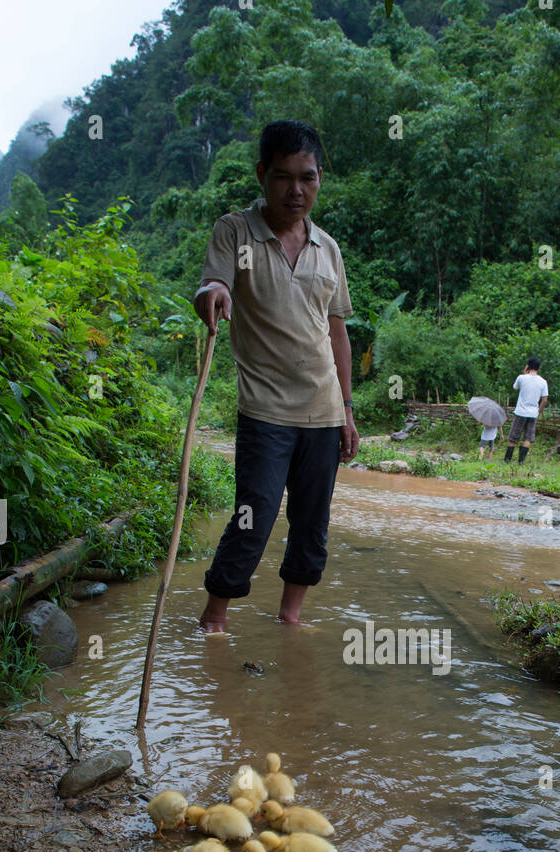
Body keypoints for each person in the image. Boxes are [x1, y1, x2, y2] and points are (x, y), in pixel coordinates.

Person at [193, 119, 359, 633]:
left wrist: (349, 412)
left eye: (307, 178)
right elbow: (212, 285)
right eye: (284, 176)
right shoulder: (236, 231)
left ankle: (290, 617)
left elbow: (337, 335)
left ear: (320, 178)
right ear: (263, 174)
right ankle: (215, 619)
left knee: (312, 525)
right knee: (254, 516)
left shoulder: (327, 249)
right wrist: (213, 297)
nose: (296, 190)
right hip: (265, 412)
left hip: (324, 413)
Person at [504, 357, 548, 465]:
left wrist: (524, 373)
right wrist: (539, 411)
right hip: (533, 413)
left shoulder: (521, 378)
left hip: (520, 412)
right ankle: (521, 462)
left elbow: (515, 388)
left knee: (514, 436)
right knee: (528, 437)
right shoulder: (543, 382)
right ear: (539, 368)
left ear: (528, 366)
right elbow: (544, 399)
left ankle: (507, 460)